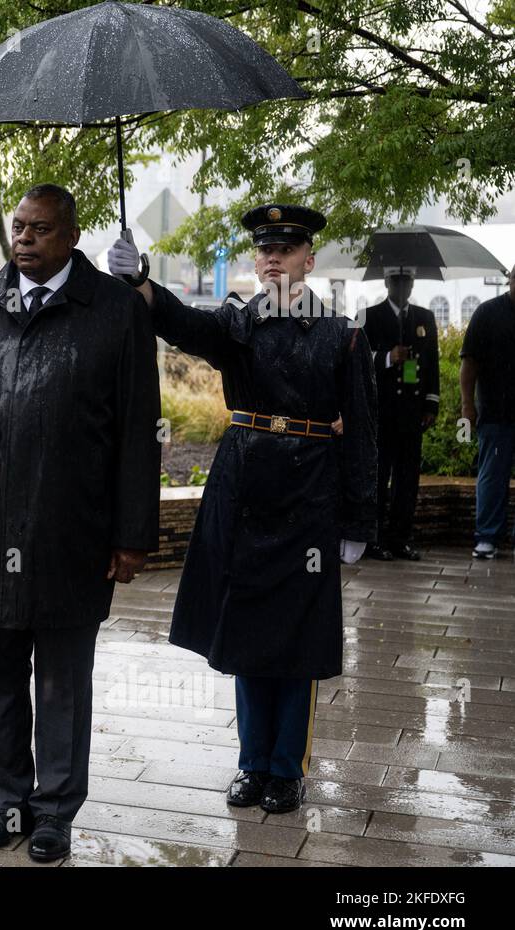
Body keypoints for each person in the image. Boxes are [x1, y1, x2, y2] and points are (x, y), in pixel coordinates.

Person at [109, 203, 377, 815]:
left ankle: (288, 768)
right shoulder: (237, 324)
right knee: (247, 630)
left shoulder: (343, 334)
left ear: (309, 260)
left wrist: (358, 521)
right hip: (245, 486)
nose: (272, 259)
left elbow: (362, 434)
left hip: (308, 491)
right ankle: (252, 762)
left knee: (298, 635)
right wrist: (140, 282)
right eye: (264, 250)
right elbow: (182, 324)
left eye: (285, 250)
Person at [0, 184, 161, 862]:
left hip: (71, 530)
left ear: (73, 236)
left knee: (60, 684)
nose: (24, 239)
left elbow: (137, 432)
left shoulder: (115, 312)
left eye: (40, 229)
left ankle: (54, 811)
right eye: (18, 228)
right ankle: (7, 801)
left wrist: (132, 533)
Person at [363, 266, 439, 561]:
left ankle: (400, 539)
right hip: (382, 412)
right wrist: (387, 357)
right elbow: (356, 360)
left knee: (408, 480)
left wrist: (431, 404)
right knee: (380, 479)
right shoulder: (368, 316)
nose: (403, 285)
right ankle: (376, 539)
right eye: (397, 280)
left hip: (411, 413)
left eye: (407, 280)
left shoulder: (423, 318)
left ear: (413, 282)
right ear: (386, 282)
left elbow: (431, 363)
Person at [460, 267, 515, 559]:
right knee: (492, 476)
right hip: (495, 412)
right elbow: (468, 365)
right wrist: (467, 406)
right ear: (511, 281)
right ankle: (487, 536)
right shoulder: (487, 313)